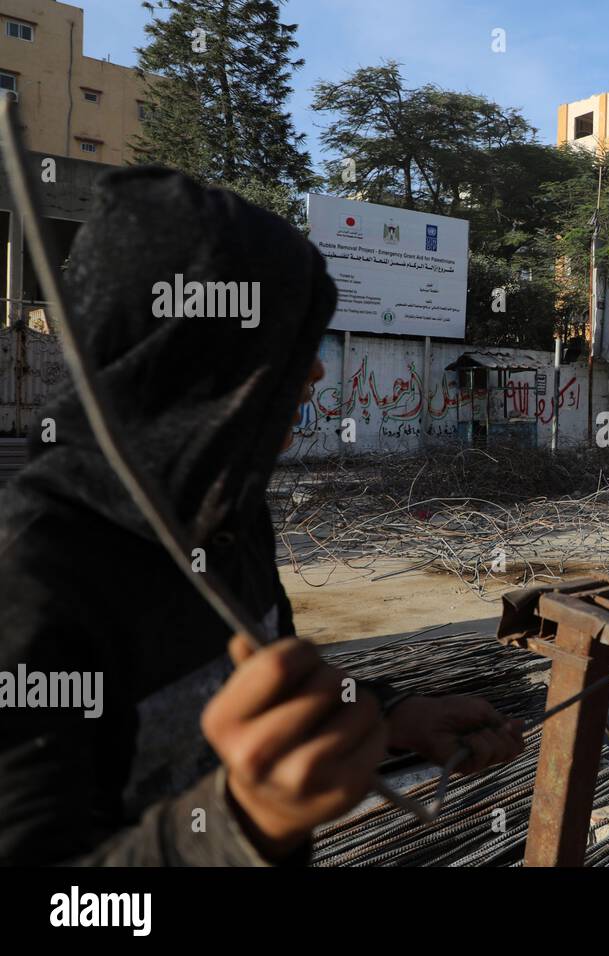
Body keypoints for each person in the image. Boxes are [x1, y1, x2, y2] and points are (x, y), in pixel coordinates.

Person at [0, 168, 524, 865]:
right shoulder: (32, 580)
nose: (311, 375)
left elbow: (267, 680)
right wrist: (239, 825)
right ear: (190, 355)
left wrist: (388, 714)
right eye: (285, 344)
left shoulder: (226, 519)